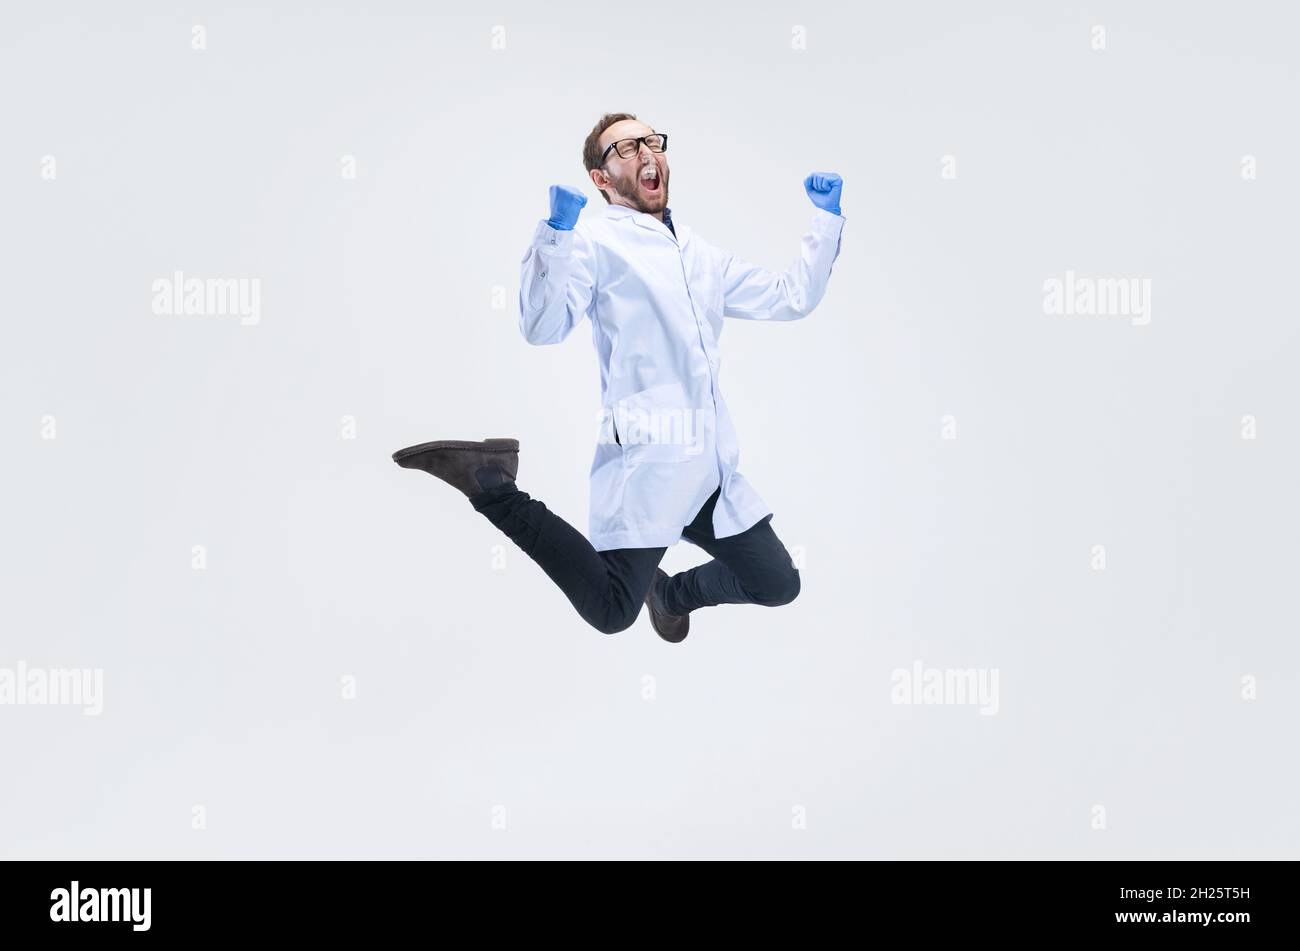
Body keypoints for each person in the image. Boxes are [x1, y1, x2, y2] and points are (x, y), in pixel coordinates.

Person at [393, 112, 845, 643]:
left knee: (776, 582)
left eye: (651, 141)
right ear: (601, 179)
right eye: (625, 148)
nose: (646, 152)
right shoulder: (594, 242)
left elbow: (790, 298)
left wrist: (826, 221)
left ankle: (673, 594)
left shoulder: (700, 255)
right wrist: (556, 236)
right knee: (611, 610)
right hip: (649, 464)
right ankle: (492, 484)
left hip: (710, 470)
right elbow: (542, 326)